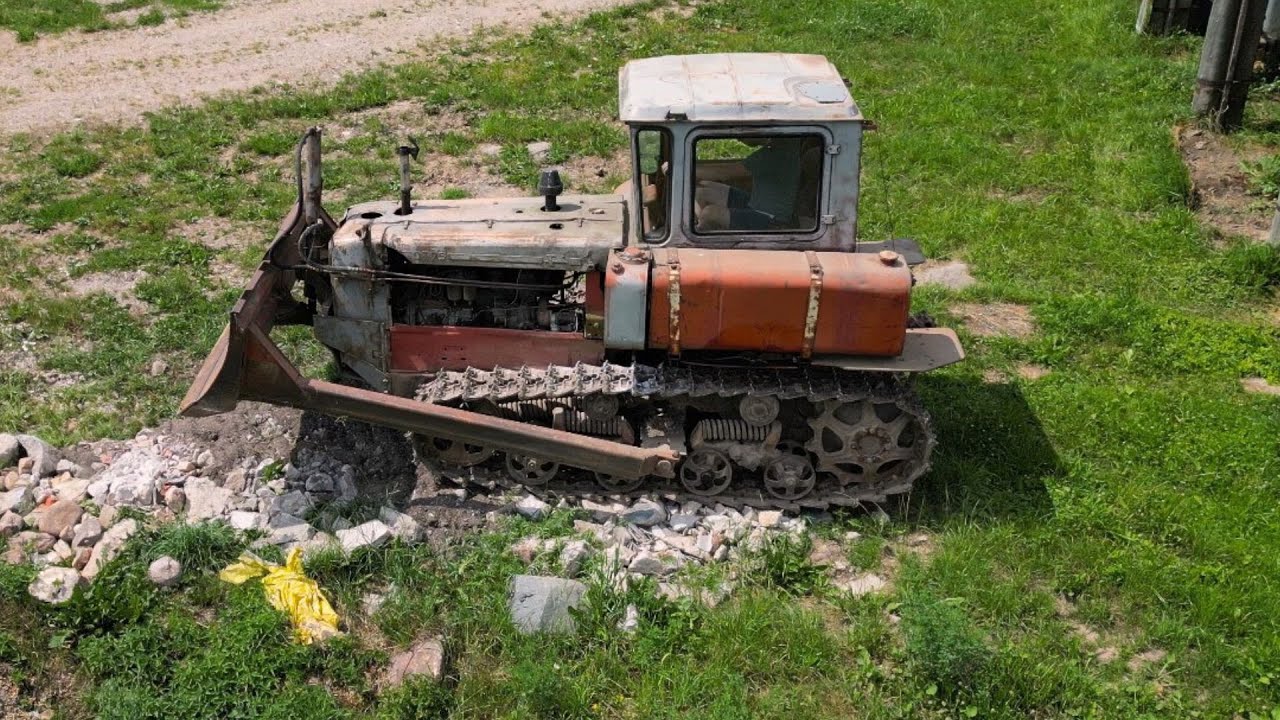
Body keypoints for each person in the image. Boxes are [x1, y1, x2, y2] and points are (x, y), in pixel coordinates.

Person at [694, 136, 810, 231]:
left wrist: (687, 169)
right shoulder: (781, 149)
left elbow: (724, 173)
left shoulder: (777, 154)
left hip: (774, 220)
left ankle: (700, 237)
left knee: (710, 213)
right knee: (703, 191)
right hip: (756, 204)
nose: (739, 138)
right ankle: (704, 226)